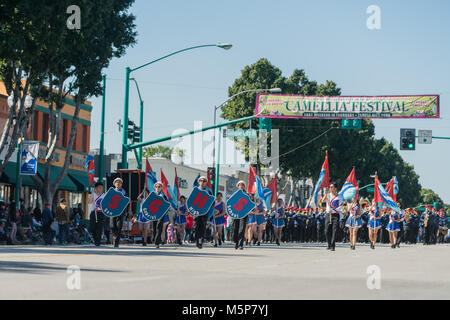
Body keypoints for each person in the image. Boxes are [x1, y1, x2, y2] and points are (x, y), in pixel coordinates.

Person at [319, 182, 343, 251]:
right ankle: (329, 244)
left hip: (335, 215)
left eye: (332, 187)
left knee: (334, 230)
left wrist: (334, 210)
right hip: (328, 215)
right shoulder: (328, 195)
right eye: (330, 187)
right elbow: (322, 201)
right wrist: (325, 195)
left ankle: (333, 245)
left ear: (335, 188)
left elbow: (340, 206)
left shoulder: (339, 197)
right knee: (326, 231)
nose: (330, 188)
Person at [194, 176, 214, 249]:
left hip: (204, 212)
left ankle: (200, 241)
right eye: (201, 180)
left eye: (204, 181)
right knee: (196, 227)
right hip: (196, 212)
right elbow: (191, 201)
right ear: (199, 182)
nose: (202, 182)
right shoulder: (196, 190)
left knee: (202, 227)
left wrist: (210, 214)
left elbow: (212, 203)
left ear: (206, 182)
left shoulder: (208, 191)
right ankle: (196, 240)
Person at [110, 178, 127, 248]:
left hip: (120, 211)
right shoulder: (111, 192)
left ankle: (116, 242)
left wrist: (126, 211)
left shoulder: (124, 192)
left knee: (119, 226)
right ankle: (114, 235)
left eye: (119, 182)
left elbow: (126, 202)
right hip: (112, 211)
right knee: (112, 226)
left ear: (121, 185)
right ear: (114, 184)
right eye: (117, 182)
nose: (118, 183)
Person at [153, 181, 170, 248]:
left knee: (159, 227)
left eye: (159, 186)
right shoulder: (153, 194)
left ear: (161, 188)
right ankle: (155, 240)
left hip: (161, 214)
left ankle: (157, 242)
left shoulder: (163, 196)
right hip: (153, 213)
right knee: (154, 227)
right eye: (156, 186)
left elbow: (167, 204)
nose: (157, 188)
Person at [232, 181, 248, 250]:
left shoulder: (247, 195)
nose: (241, 186)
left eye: (242, 185)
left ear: (244, 186)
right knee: (235, 228)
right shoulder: (235, 194)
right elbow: (231, 203)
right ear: (238, 186)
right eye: (240, 185)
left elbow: (249, 204)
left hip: (243, 214)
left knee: (241, 229)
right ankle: (236, 242)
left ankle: (240, 244)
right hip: (236, 214)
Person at [88, 181, 106, 246]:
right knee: (92, 228)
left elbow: (106, 205)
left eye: (101, 187)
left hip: (101, 213)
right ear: (96, 188)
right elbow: (89, 202)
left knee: (99, 228)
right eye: (99, 187)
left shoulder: (104, 195)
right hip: (94, 212)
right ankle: (95, 239)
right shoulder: (93, 195)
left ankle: (97, 242)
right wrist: (92, 194)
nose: (100, 189)